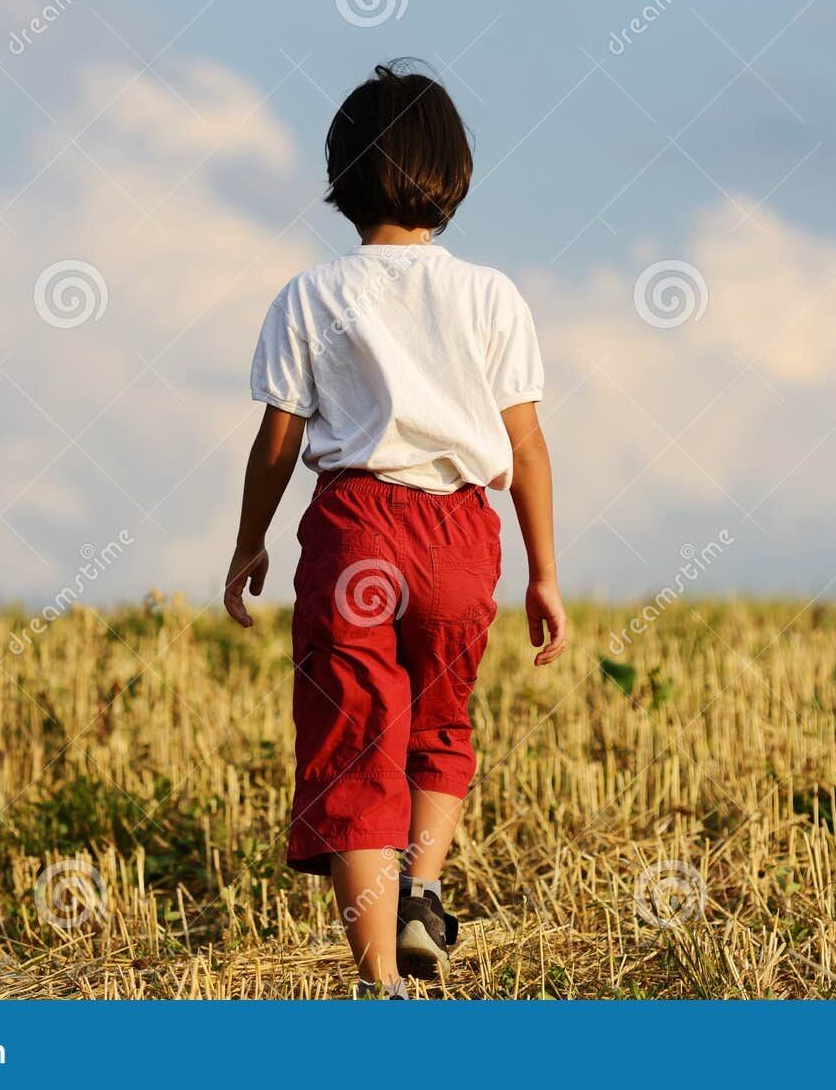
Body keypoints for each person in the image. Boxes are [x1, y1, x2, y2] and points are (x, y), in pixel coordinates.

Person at [223, 60, 568, 999]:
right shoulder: (494, 296)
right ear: (455, 176)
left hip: (355, 535)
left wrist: (249, 542)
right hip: (463, 535)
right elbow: (525, 446)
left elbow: (278, 442)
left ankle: (381, 982)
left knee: (354, 740)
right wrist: (542, 570)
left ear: (340, 177)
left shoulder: (310, 295)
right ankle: (423, 887)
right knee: (439, 720)